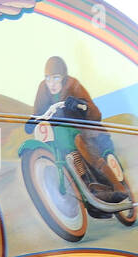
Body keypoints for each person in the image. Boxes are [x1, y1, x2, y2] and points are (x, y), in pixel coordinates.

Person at [26, 55, 123, 189]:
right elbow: (38, 112)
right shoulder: (43, 88)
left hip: (81, 130)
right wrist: (32, 122)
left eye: (56, 78)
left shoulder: (73, 85)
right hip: (57, 131)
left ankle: (117, 186)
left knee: (80, 143)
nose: (51, 83)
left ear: (63, 77)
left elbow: (95, 113)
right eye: (48, 78)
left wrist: (80, 105)